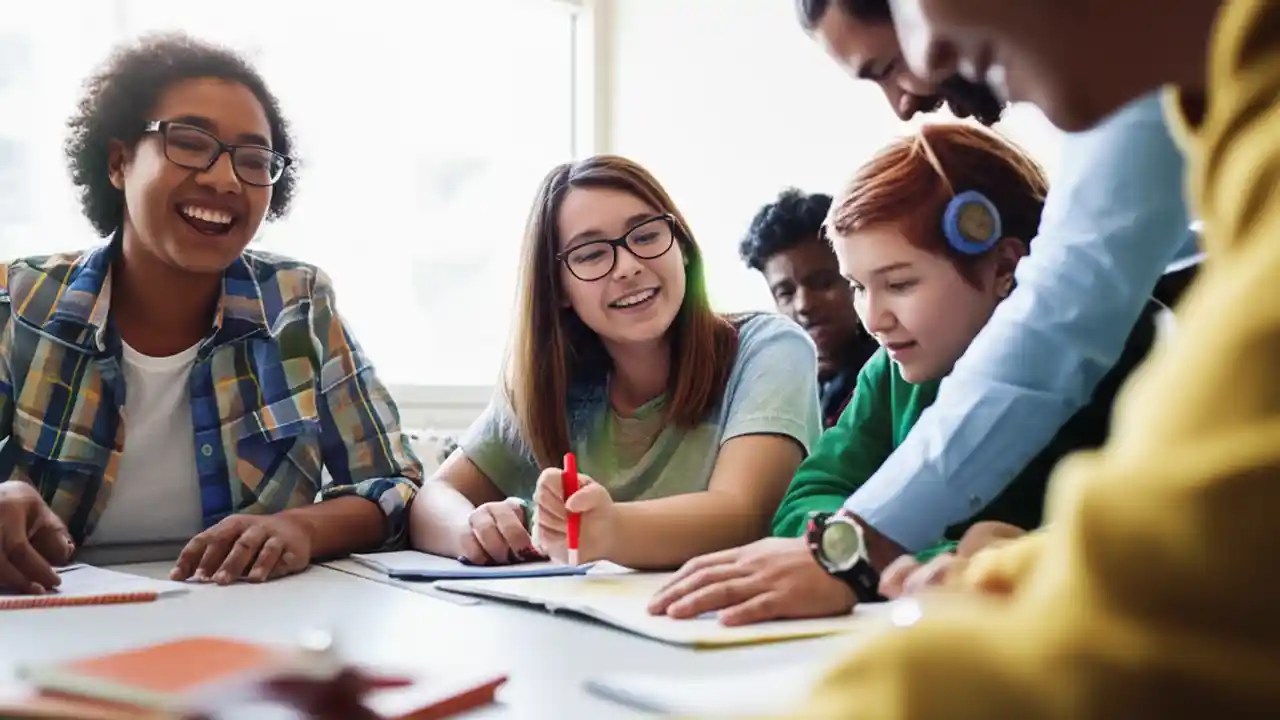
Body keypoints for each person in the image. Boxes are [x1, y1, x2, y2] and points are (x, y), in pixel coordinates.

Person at [789, 0, 1280, 715]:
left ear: (999, 262)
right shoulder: (1214, 96)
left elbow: (1182, 593)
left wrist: (877, 556)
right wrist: (1012, 571)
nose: (919, 78)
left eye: (899, 36)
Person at [645, 0, 1196, 621]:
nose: (905, 102)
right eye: (858, 285)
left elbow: (1059, 330)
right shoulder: (890, 374)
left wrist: (868, 553)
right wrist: (881, 549)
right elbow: (813, 496)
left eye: (890, 60)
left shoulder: (1136, 348)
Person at [0, 34, 422, 594]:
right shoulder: (18, 303)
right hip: (55, 624)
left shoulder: (298, 304)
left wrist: (301, 527)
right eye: (191, 143)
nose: (225, 180)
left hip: (248, 619)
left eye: (253, 160)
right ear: (119, 160)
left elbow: (395, 486)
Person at [408, 155, 821, 570]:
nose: (628, 267)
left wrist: (609, 530)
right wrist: (474, 527)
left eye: (645, 235)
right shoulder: (552, 383)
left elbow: (744, 514)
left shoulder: (769, 349)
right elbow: (432, 500)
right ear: (559, 290)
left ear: (683, 249)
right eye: (590, 255)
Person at [739, 189, 877, 427]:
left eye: (823, 283)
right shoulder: (776, 389)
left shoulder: (894, 368)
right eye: (786, 293)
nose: (804, 305)